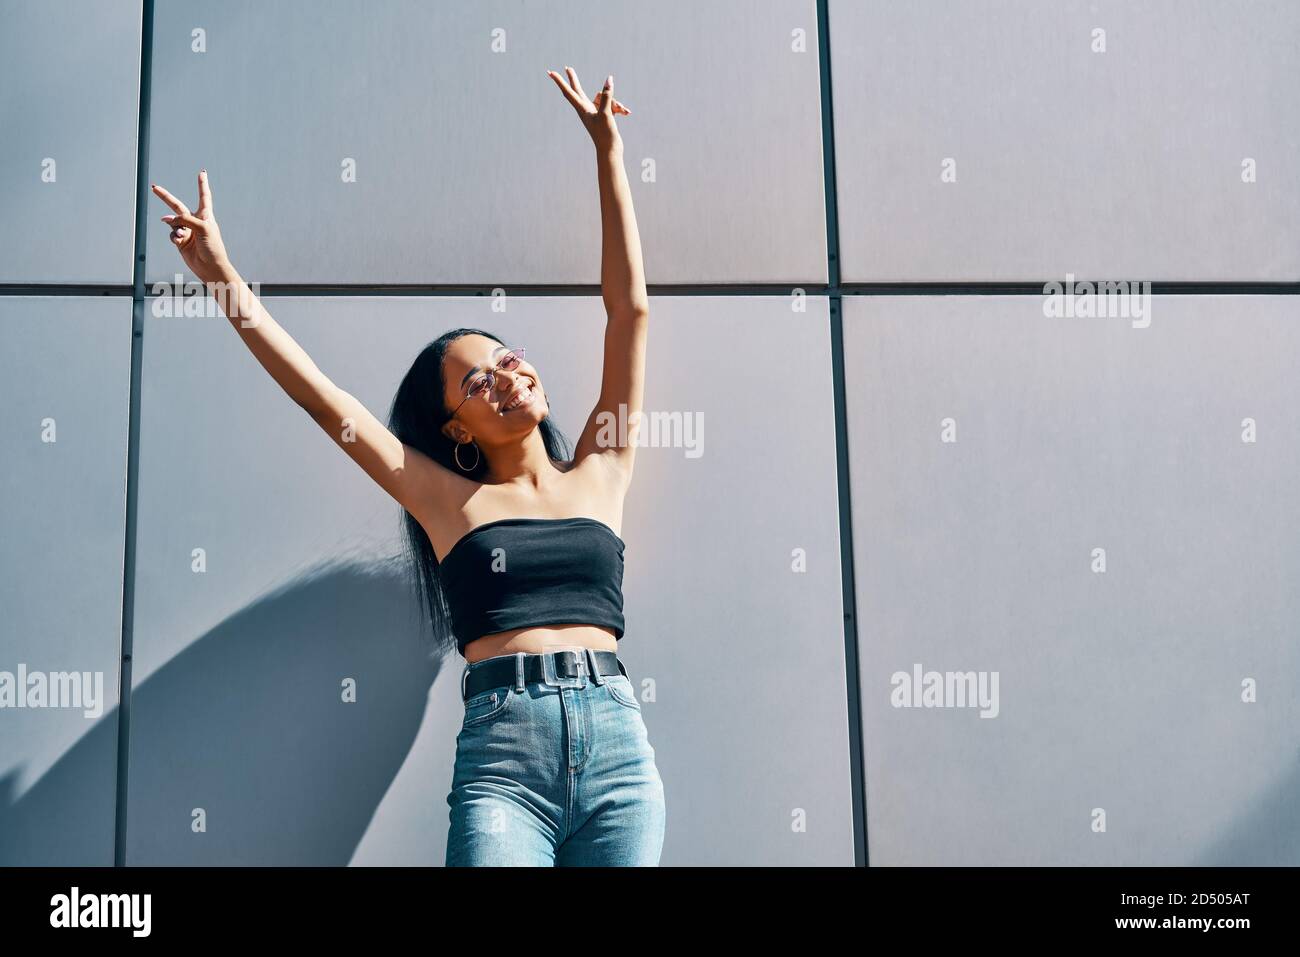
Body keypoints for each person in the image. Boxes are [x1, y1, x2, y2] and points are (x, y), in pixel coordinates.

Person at [150, 68, 664, 865]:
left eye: (505, 356)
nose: (504, 374)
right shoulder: (448, 501)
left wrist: (608, 152)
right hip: (506, 761)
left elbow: (628, 311)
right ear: (455, 426)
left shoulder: (605, 461)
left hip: (619, 751)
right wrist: (224, 280)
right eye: (475, 379)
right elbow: (327, 405)